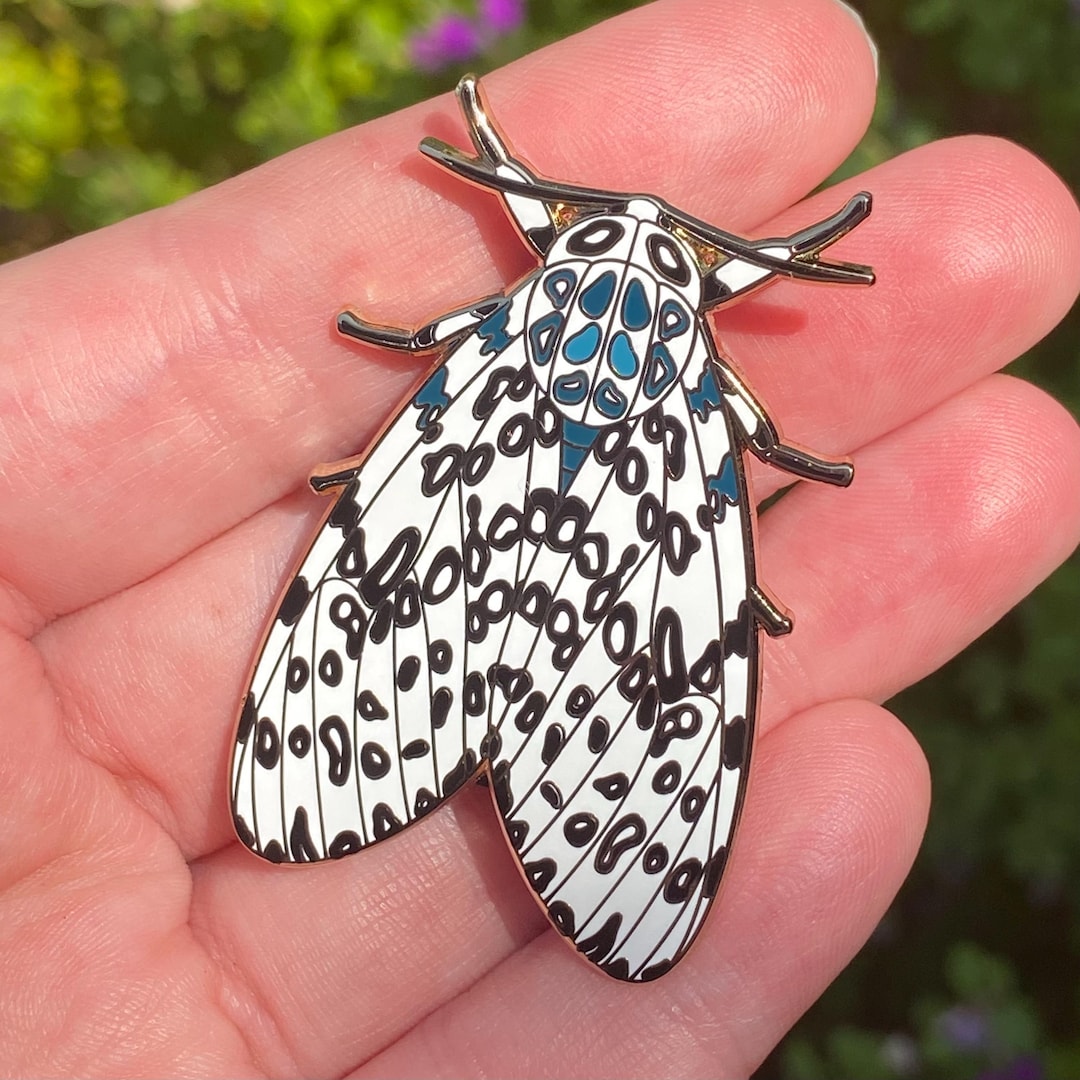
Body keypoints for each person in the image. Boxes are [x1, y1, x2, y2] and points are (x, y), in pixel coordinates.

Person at [0, 0, 1078, 1075]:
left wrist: (476, 180)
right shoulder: (699, 388)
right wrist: (800, 309)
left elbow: (435, 340)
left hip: (467, 438)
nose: (648, 246)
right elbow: (756, 431)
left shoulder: (512, 324)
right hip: (665, 506)